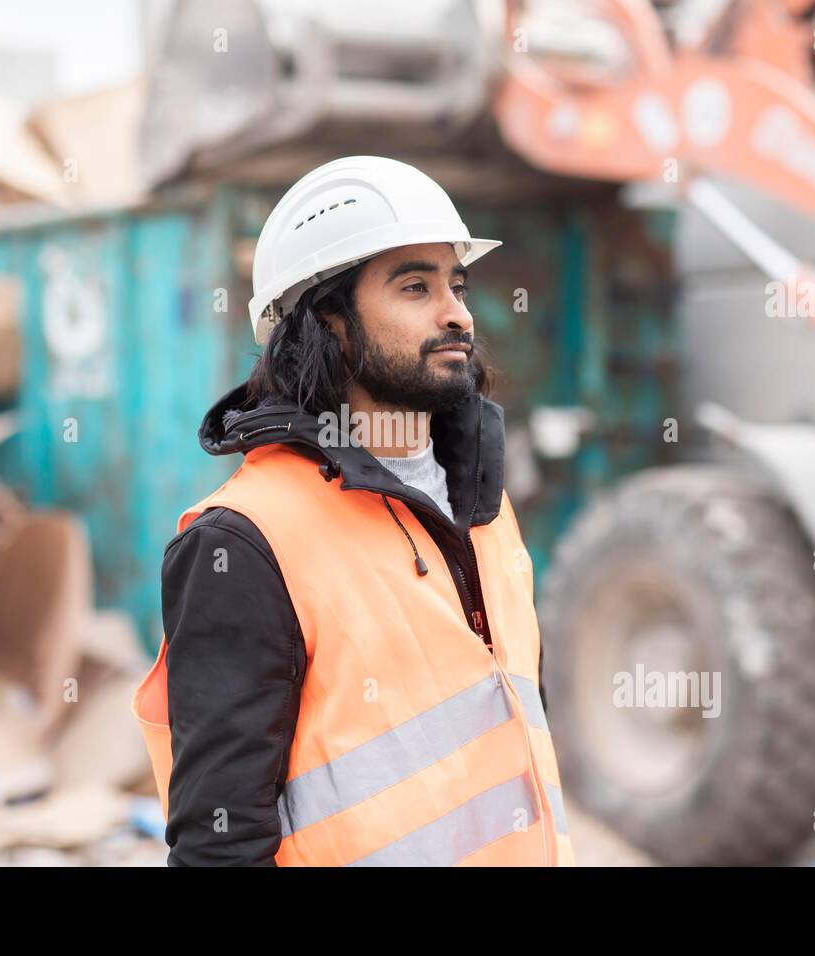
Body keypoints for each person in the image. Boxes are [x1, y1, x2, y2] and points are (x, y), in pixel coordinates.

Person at [133, 155, 576, 867]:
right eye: (414, 287)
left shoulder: (482, 502)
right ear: (329, 321)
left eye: (455, 285)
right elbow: (220, 846)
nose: (457, 313)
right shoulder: (245, 543)